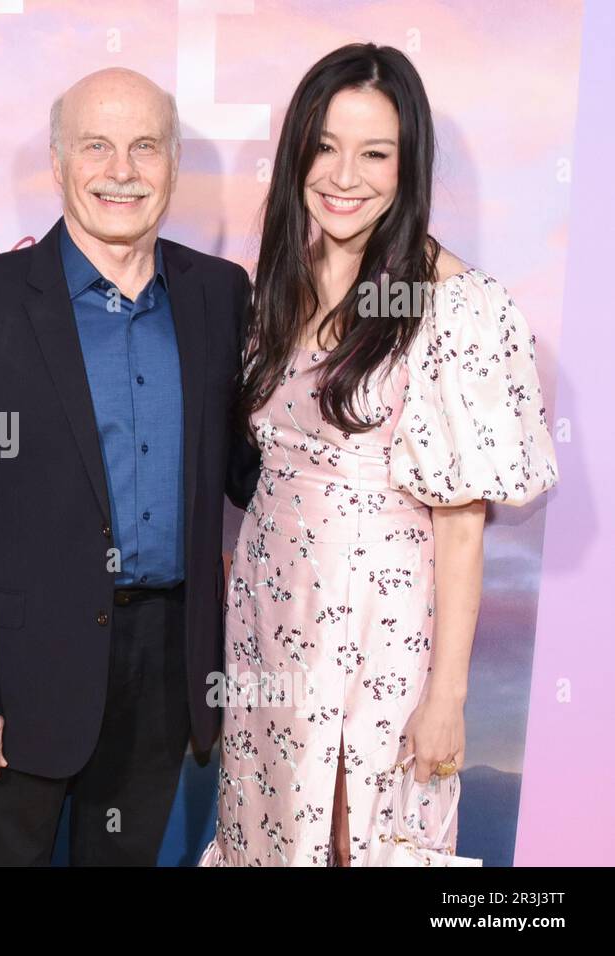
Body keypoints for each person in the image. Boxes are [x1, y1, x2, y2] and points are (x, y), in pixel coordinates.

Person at [199, 43, 559, 867]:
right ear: (297, 153)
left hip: (378, 627)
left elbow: (462, 523)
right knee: (268, 832)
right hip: (264, 618)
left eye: (374, 153)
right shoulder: (278, 288)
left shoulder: (454, 305)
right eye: (324, 146)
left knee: (358, 836)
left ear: (409, 166)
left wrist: (448, 699)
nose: (343, 174)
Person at [0, 67, 259, 866]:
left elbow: (252, 467)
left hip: (167, 663)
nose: (121, 170)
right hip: (21, 667)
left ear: (172, 162)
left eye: (144, 146)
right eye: (96, 146)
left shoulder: (219, 294)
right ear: (59, 160)